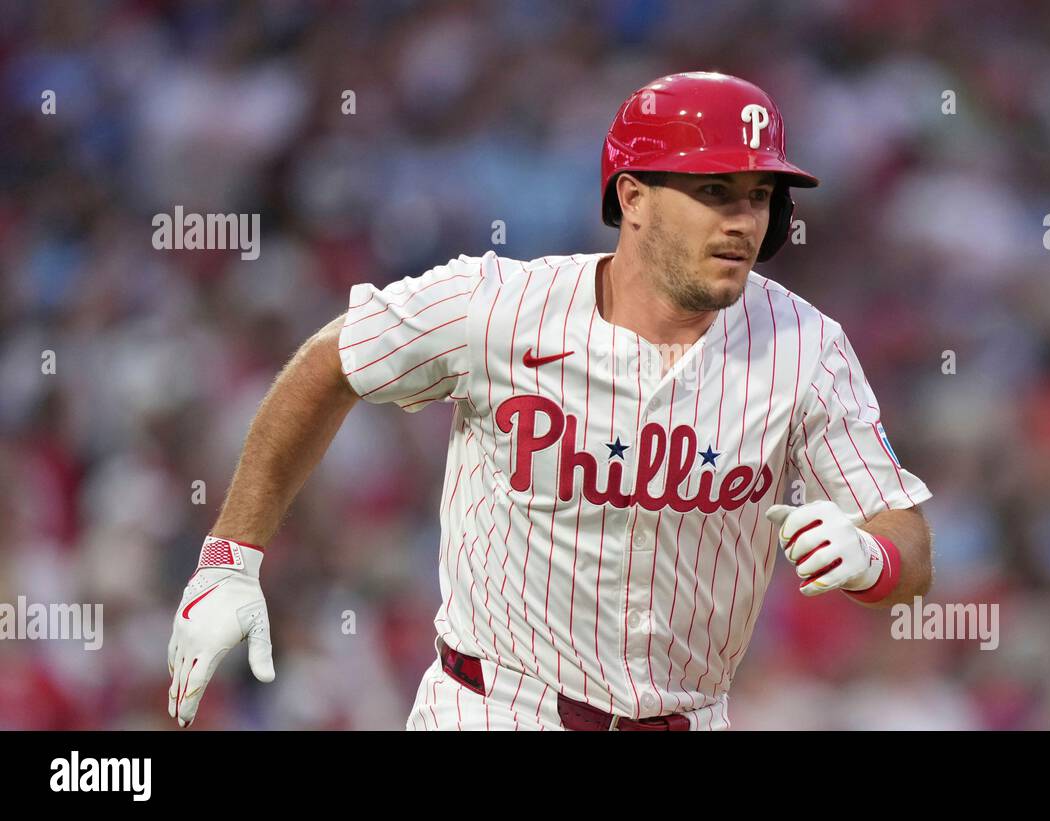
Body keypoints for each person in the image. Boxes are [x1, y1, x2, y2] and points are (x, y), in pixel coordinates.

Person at [167, 71, 933, 731]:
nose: (743, 220)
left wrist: (873, 557)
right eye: (714, 192)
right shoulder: (499, 307)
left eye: (760, 196)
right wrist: (230, 557)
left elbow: (907, 542)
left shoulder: (805, 346)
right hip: (496, 706)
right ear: (633, 197)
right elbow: (332, 361)